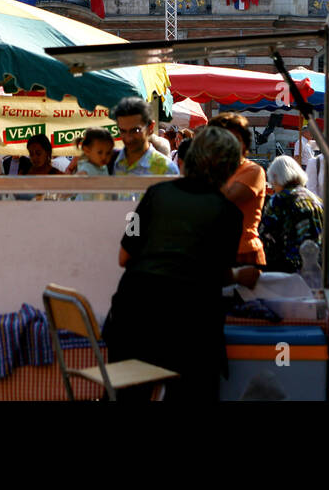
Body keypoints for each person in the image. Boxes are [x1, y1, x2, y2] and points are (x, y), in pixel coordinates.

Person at [104, 125, 256, 401]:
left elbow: (124, 257)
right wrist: (240, 275)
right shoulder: (229, 214)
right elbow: (219, 275)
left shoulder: (154, 195)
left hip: (130, 318)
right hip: (190, 330)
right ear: (229, 167)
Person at [209, 113, 267, 267]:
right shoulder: (210, 169)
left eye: (235, 139)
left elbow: (228, 199)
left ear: (244, 143)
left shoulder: (253, 171)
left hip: (244, 255)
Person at [259, 155, 324, 273]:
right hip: (318, 264)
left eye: (272, 183)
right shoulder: (315, 199)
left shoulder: (279, 200)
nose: (272, 186)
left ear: (275, 177)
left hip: (290, 267)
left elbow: (267, 235)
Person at [111, 97, 178, 176]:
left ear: (150, 128)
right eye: (123, 131)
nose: (128, 138)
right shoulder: (108, 162)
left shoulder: (167, 170)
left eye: (135, 131)